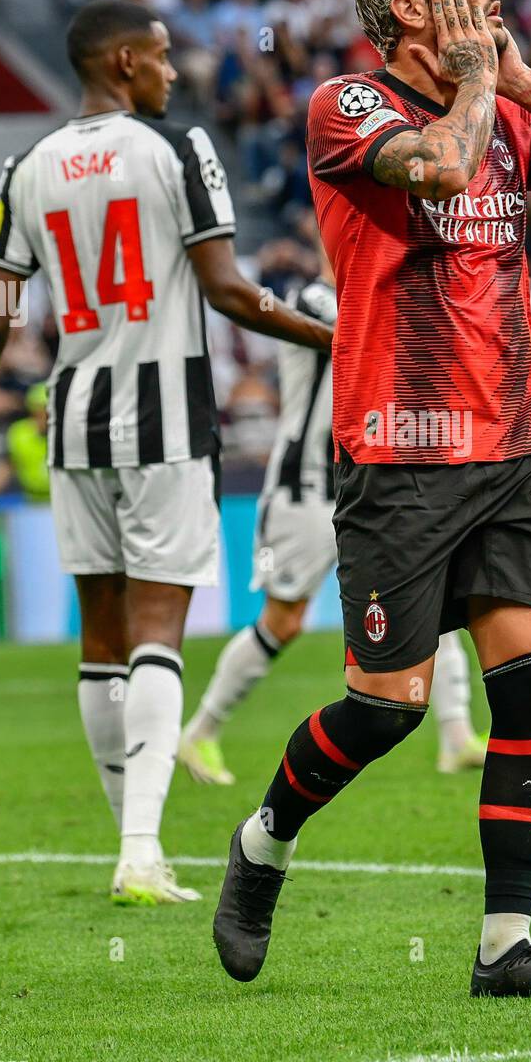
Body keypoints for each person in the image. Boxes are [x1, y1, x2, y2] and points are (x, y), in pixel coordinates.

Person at [213, 0, 531, 998]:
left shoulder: (502, 100)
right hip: (399, 450)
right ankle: (263, 840)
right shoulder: (346, 106)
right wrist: (476, 87)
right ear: (409, 11)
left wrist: (522, 80)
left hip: (510, 443)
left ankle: (505, 945)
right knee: (387, 707)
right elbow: (443, 167)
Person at [0, 0, 333, 905]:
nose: (176, 73)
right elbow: (228, 289)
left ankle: (133, 841)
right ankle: (140, 851)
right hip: (167, 418)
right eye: (167, 56)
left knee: (99, 639)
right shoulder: (177, 147)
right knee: (156, 633)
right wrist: (332, 338)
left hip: (72, 418)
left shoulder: (28, 165)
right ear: (128, 62)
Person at [179, 249, 485, 784]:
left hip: (367, 490)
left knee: (430, 606)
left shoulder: (363, 299)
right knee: (284, 620)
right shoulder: (312, 300)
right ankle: (200, 732)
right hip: (307, 489)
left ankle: (456, 736)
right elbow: (379, 347)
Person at [0, 382, 50, 507]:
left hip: (63, 500)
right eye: (42, 410)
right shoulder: (19, 433)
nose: (46, 416)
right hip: (31, 502)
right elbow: (7, 466)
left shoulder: (67, 433)